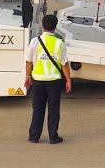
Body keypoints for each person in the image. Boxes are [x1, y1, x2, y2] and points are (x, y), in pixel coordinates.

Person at [24, 13, 72, 144]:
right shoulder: (59, 43)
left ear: (43, 26)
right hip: (54, 82)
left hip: (38, 81)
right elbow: (64, 63)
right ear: (55, 27)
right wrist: (68, 80)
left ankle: (34, 136)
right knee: (53, 109)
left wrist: (28, 76)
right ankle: (53, 137)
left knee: (38, 108)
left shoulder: (35, 41)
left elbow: (29, 61)